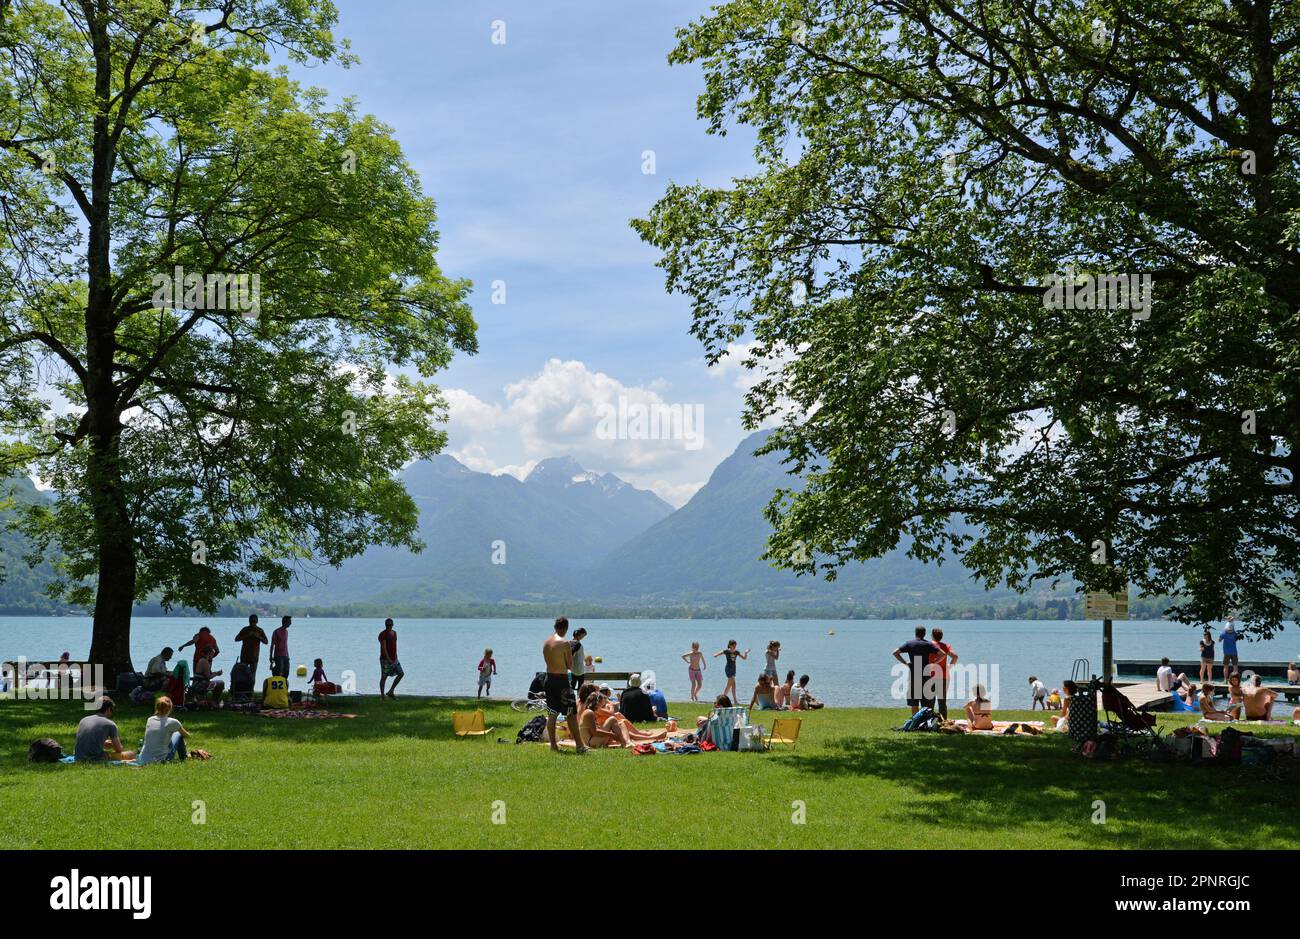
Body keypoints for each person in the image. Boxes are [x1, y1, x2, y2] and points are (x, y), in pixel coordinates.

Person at [542, 617, 586, 753]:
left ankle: (553, 746)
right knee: (571, 713)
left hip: (549, 679)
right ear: (566, 628)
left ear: (555, 627)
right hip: (562, 681)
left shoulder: (546, 643)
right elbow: (569, 665)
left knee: (552, 714)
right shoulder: (565, 643)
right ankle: (580, 746)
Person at [892, 626, 939, 715]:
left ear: (915, 633)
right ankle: (924, 722)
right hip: (925, 674)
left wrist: (905, 662)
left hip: (914, 673)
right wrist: (933, 662)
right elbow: (943, 654)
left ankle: (915, 722)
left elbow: (895, 653)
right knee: (926, 700)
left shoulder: (909, 643)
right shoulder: (928, 644)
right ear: (924, 634)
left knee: (914, 701)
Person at [74, 696, 135, 762]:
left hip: (78, 757)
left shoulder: (84, 720)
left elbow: (86, 740)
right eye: (112, 709)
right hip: (95, 758)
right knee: (130, 754)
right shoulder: (110, 724)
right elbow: (119, 749)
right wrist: (112, 745)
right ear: (108, 709)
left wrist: (102, 742)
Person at [137, 696, 190, 764]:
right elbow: (186, 735)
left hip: (143, 759)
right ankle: (184, 757)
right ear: (170, 708)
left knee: (168, 734)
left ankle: (184, 756)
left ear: (157, 707)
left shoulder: (150, 719)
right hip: (161, 760)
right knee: (177, 733)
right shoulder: (173, 722)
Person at [928, 628, 958, 718]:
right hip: (943, 676)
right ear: (941, 636)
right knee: (942, 701)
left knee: (930, 701)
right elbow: (955, 657)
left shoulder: (929, 645)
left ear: (932, 635)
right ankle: (944, 722)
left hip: (930, 676)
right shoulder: (945, 646)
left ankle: (929, 722)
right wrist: (950, 667)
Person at [234, 615, 268, 683]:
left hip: (254, 657)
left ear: (257, 621)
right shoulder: (245, 629)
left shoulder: (260, 630)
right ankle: (243, 691)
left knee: (253, 674)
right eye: (251, 621)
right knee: (243, 674)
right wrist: (247, 635)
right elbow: (236, 639)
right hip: (244, 656)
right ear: (249, 621)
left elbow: (266, 641)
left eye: (254, 621)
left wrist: (258, 636)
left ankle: (251, 691)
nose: (252, 623)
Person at [378, 618, 403, 698]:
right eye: (387, 625)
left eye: (390, 625)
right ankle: (382, 696)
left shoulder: (394, 633)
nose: (389, 626)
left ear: (392, 625)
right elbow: (384, 648)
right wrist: (389, 660)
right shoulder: (382, 634)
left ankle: (391, 691)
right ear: (385, 625)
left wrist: (395, 657)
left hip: (394, 659)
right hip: (385, 659)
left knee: (401, 673)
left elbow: (394, 645)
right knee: (384, 677)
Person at [1220, 617, 1240, 681]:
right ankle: (1236, 680)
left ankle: (1225, 679)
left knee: (1226, 667)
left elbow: (1219, 640)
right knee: (1235, 666)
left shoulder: (1224, 633)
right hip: (1234, 652)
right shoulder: (1234, 634)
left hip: (1226, 652)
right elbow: (1236, 639)